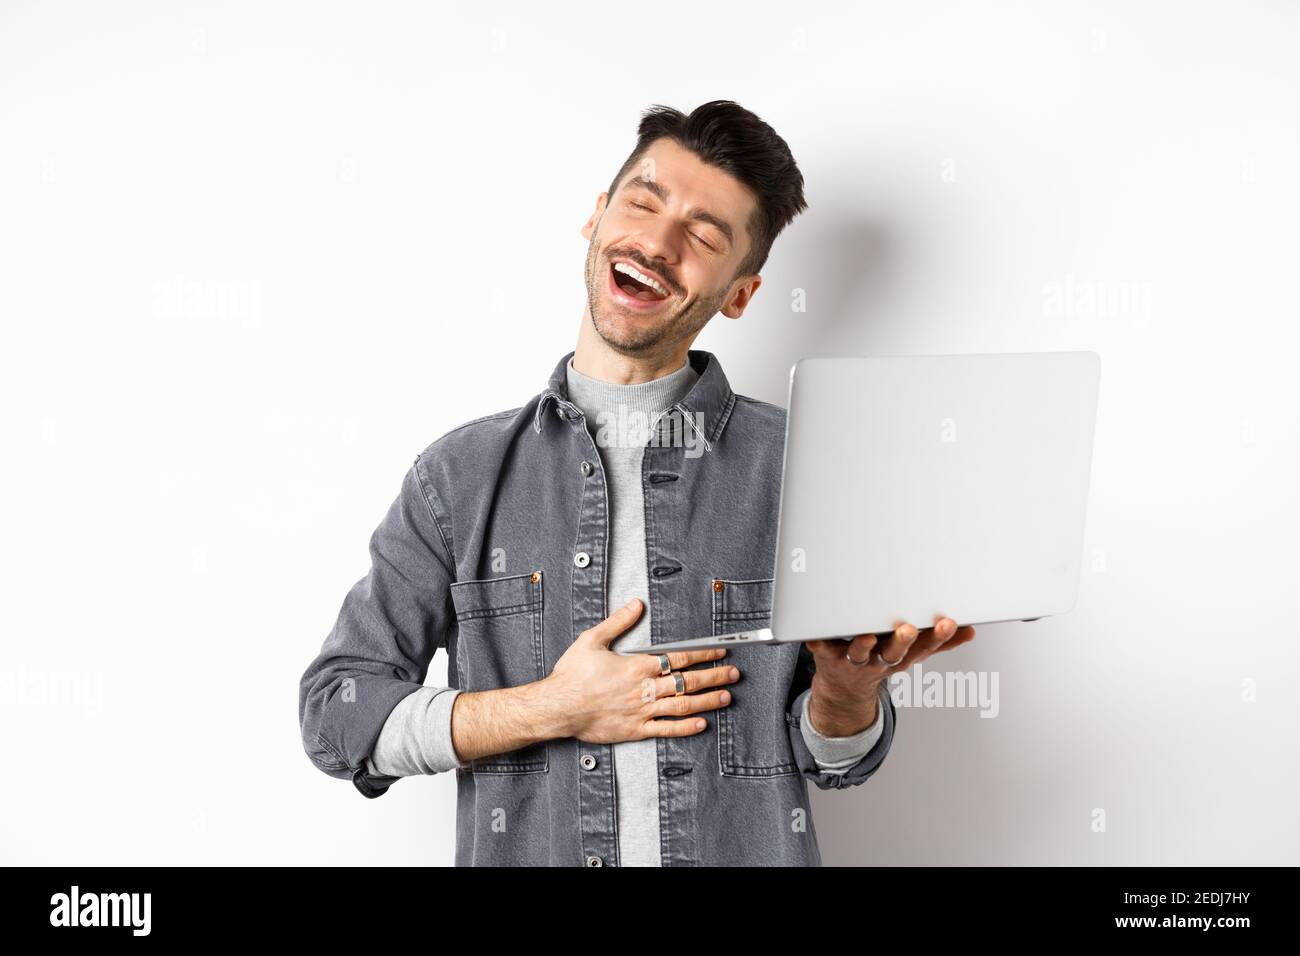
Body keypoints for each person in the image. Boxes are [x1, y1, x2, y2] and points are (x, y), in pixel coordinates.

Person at [298, 100, 976, 866]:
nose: (656, 243)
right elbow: (336, 717)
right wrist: (554, 707)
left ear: (742, 292)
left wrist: (848, 695)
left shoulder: (809, 471)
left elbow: (835, 760)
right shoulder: (455, 480)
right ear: (596, 216)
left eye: (702, 235)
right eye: (643, 203)